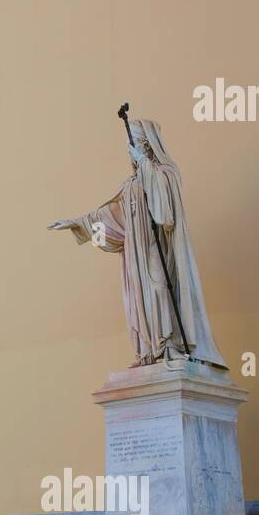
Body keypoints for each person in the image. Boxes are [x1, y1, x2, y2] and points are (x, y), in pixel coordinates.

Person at [48, 117, 224, 368]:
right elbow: (111, 220)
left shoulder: (165, 173)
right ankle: (149, 351)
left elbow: (166, 217)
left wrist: (143, 163)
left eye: (135, 144)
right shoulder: (130, 186)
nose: (130, 152)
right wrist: (78, 225)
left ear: (147, 144)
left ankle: (170, 344)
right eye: (130, 147)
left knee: (158, 288)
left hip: (157, 247)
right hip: (135, 254)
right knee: (139, 298)